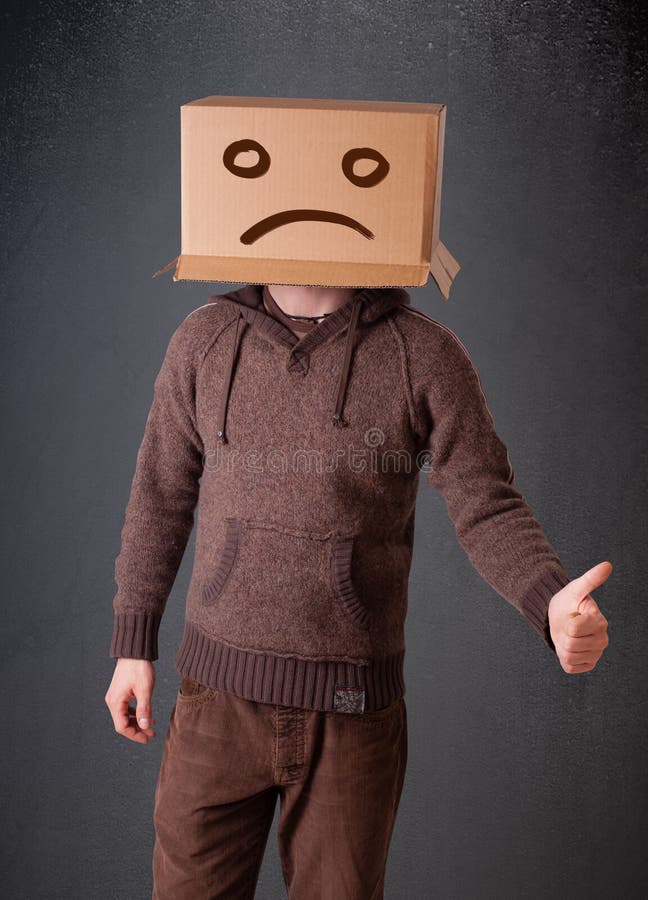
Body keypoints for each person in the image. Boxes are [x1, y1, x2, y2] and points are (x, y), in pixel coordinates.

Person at [105, 283, 611, 899]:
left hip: (352, 713)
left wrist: (550, 599)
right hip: (216, 704)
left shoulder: (421, 352)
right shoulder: (206, 338)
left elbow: (487, 503)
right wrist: (135, 642)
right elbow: (160, 492)